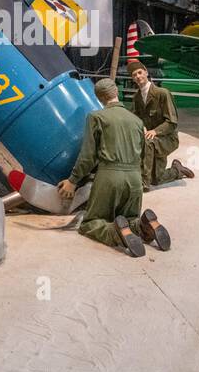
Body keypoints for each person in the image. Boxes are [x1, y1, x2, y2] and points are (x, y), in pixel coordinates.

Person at [57, 78, 170, 257]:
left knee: (90, 222)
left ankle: (116, 234)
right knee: (129, 218)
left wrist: (73, 181)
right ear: (116, 92)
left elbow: (88, 156)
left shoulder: (96, 117)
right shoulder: (136, 121)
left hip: (110, 177)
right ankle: (142, 226)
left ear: (100, 98)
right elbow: (144, 155)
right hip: (134, 180)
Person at [127, 60, 194, 189]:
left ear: (146, 72)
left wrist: (155, 131)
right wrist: (142, 127)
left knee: (148, 142)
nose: (138, 76)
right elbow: (134, 118)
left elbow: (172, 122)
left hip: (167, 138)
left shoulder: (162, 94)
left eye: (140, 72)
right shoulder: (137, 98)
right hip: (151, 140)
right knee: (158, 179)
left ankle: (144, 182)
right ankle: (177, 170)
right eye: (134, 75)